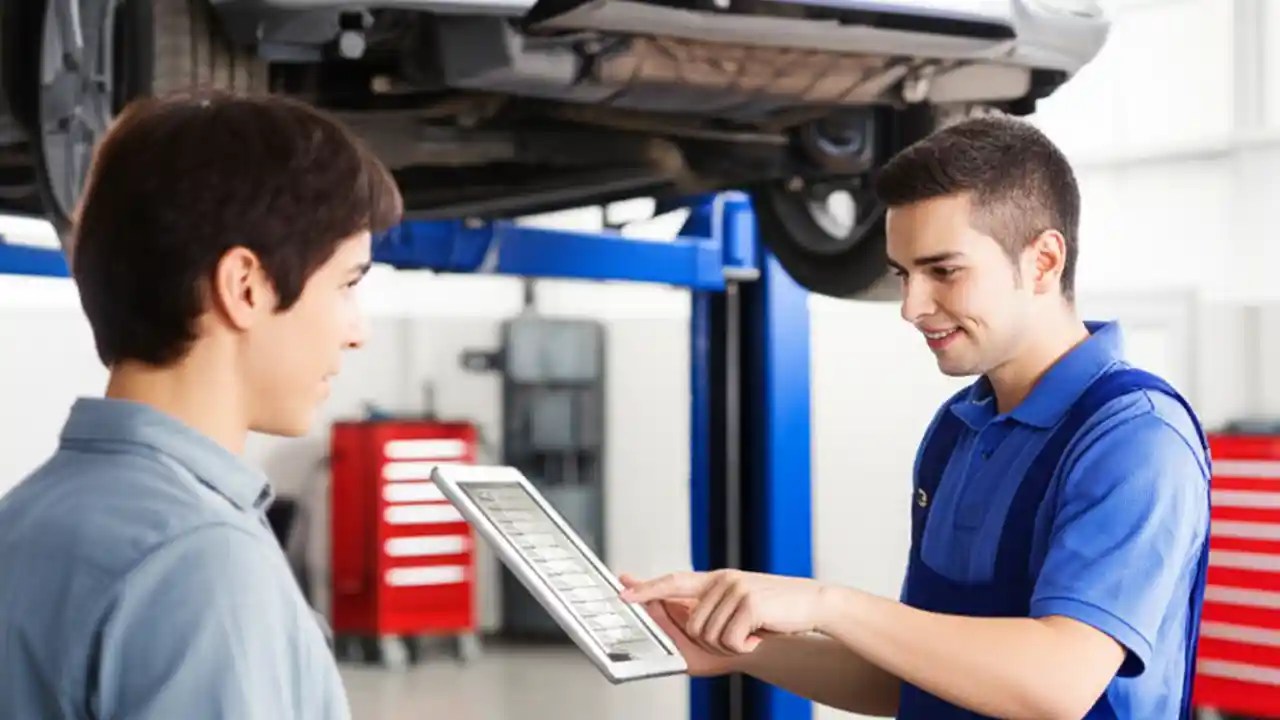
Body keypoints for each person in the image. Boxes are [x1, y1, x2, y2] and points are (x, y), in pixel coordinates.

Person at [621, 115, 1212, 719]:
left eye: (943, 271)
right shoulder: (957, 429)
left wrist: (827, 604)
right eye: (904, 274)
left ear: (1043, 261)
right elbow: (918, 677)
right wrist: (740, 649)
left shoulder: (1136, 440)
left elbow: (1055, 685)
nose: (911, 306)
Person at [0, 91, 402, 719]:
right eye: (348, 283)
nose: (359, 331)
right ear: (246, 287)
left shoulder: (25, 518)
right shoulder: (203, 560)